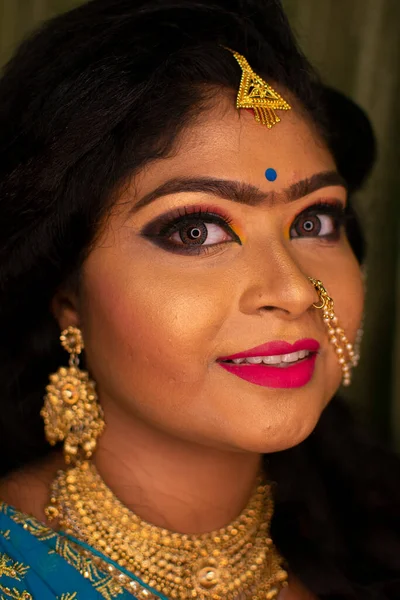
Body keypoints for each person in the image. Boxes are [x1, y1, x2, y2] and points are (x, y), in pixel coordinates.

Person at [0, 1, 398, 599]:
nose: (292, 292)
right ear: (67, 296)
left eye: (315, 221)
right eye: (196, 231)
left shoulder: (372, 542)